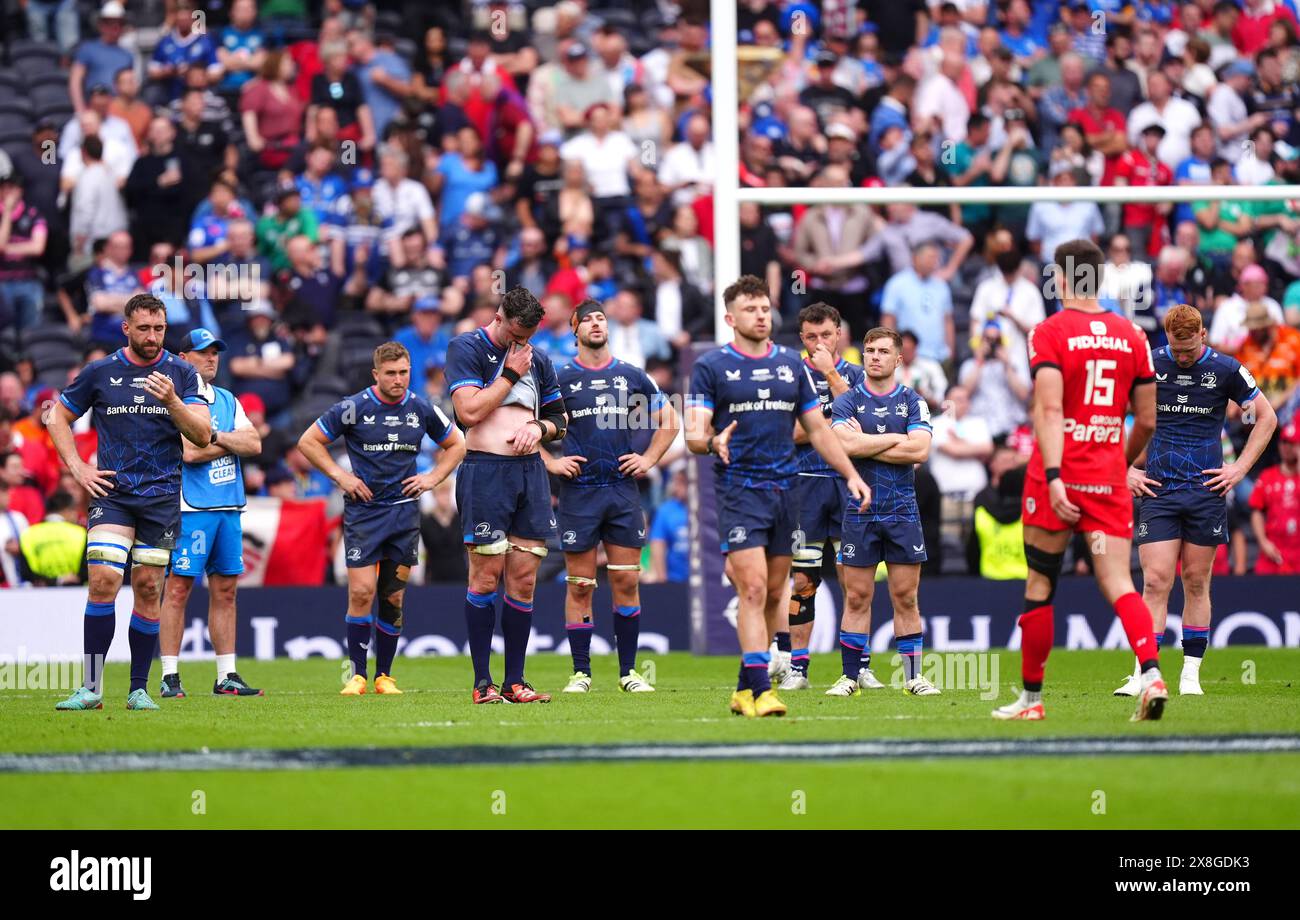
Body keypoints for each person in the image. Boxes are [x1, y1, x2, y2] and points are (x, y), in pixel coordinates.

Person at [992, 239, 1167, 723]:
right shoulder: (1132, 334)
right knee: (1118, 582)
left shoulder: (1048, 332)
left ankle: (1031, 701)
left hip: (1057, 474)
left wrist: (1052, 477)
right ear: (1100, 278)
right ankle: (1151, 675)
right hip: (1106, 477)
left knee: (1041, 583)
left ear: (1061, 279)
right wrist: (1117, 462)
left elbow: (1049, 409)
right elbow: (1148, 420)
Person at [686, 275, 870, 718]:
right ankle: (759, 688)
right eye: (750, 309)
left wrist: (850, 474)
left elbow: (818, 429)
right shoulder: (712, 367)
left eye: (765, 308)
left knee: (772, 594)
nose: (761, 315)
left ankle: (743, 686)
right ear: (731, 318)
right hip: (739, 489)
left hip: (787, 491)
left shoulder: (791, 364)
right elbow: (693, 434)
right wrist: (712, 443)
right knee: (750, 587)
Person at [48, 294, 212, 711]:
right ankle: (91, 687)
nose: (153, 337)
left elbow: (203, 436)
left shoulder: (181, 373)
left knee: (147, 585)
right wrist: (77, 467)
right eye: (144, 329)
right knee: (103, 580)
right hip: (114, 494)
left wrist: (173, 401)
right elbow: (57, 417)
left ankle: (138, 688)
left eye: (159, 329)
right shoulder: (101, 371)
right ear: (126, 328)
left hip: (160, 497)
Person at [1123, 305, 1276, 697]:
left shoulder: (1226, 369)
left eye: (1189, 350)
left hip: (1206, 492)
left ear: (1203, 336)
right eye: (1177, 350)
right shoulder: (1148, 364)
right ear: (1167, 339)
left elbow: (1267, 418)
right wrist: (1123, 470)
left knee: (1196, 580)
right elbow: (1107, 414)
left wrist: (1239, 470)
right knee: (1155, 581)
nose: (1183, 357)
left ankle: (1190, 674)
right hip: (1158, 489)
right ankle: (1144, 672)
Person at [298, 342, 465, 695]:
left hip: (404, 514)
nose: (398, 379)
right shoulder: (354, 407)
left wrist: (432, 478)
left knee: (393, 597)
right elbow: (309, 441)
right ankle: (356, 675)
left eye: (403, 372)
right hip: (364, 514)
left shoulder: (421, 407)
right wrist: (342, 478)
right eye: (391, 373)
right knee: (361, 591)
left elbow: (457, 444)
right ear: (376, 374)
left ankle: (384, 676)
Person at [547, 300, 679, 693]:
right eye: (586, 319)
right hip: (579, 493)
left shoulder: (630, 375)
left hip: (621, 491)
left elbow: (670, 420)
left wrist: (650, 459)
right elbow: (522, 424)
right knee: (580, 586)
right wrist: (551, 463)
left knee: (625, 583)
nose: (596, 324)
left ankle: (628, 673)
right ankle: (582, 673)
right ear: (574, 331)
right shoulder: (559, 378)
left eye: (600, 318)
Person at [444, 287, 568, 704]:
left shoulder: (538, 357)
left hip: (530, 473)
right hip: (486, 472)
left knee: (524, 578)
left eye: (529, 336)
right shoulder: (467, 347)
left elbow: (559, 418)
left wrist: (541, 429)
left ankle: (516, 681)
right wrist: (511, 373)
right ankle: (483, 683)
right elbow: (469, 412)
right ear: (500, 318)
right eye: (517, 334)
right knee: (484, 575)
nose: (523, 344)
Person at [827, 327, 936, 697]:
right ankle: (850, 677)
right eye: (869, 349)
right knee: (857, 596)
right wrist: (896, 438)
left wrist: (864, 444)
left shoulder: (913, 400)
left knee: (905, 596)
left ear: (898, 358)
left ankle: (913, 678)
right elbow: (841, 444)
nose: (873, 356)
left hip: (902, 510)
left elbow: (920, 451)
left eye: (882, 351)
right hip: (859, 509)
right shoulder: (846, 400)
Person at [158, 329, 266, 699]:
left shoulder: (227, 398)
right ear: (184, 358)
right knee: (178, 589)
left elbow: (254, 443)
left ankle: (227, 675)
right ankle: (170, 675)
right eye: (203, 352)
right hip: (192, 508)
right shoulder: (177, 401)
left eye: (215, 352)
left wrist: (215, 438)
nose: (212, 358)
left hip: (228, 508)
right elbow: (190, 452)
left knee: (227, 591)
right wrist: (228, 442)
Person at [781, 303, 865, 690]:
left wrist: (830, 376)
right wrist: (832, 425)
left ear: (839, 335)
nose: (819, 343)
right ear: (802, 338)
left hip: (848, 486)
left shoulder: (857, 375)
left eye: (826, 335)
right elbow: (790, 433)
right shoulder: (788, 375)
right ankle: (798, 669)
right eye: (811, 337)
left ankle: (858, 666)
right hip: (805, 488)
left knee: (855, 580)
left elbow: (864, 422)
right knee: (803, 581)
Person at [1249, 421, 1300, 573]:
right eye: (1283, 442)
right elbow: (1256, 511)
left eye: (1292, 443)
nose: (1286, 447)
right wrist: (1263, 542)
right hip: (1273, 554)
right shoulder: (1267, 476)